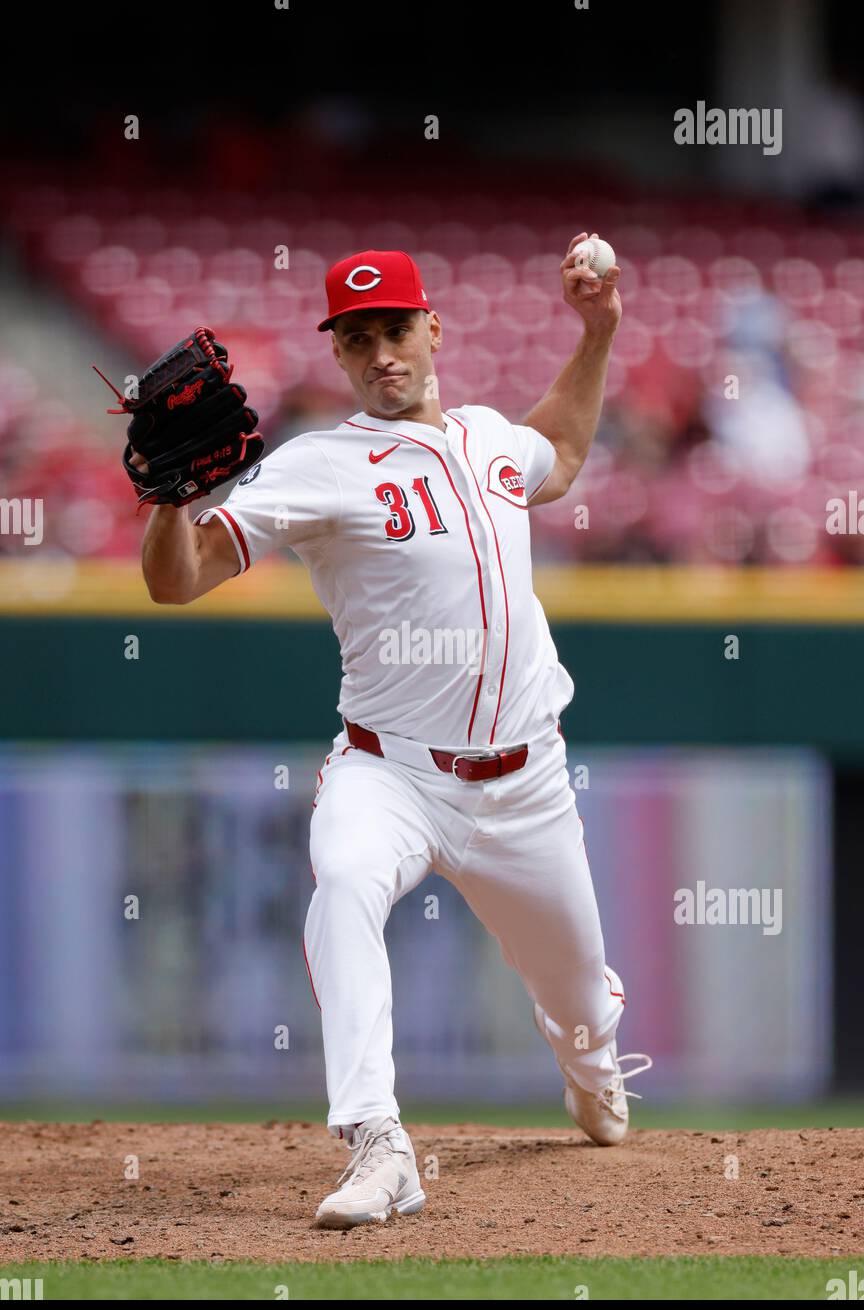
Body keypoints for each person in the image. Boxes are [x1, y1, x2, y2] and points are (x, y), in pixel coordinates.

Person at [139, 237, 652, 1229]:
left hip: (527, 786)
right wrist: (170, 498)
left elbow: (567, 452)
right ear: (338, 354)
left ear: (432, 329)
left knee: (583, 1006)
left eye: (396, 329)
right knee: (341, 882)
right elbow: (175, 578)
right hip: (390, 774)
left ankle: (587, 1057)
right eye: (358, 337)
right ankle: (378, 1143)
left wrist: (595, 334)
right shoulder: (319, 465)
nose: (381, 352)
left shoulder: (491, 439)